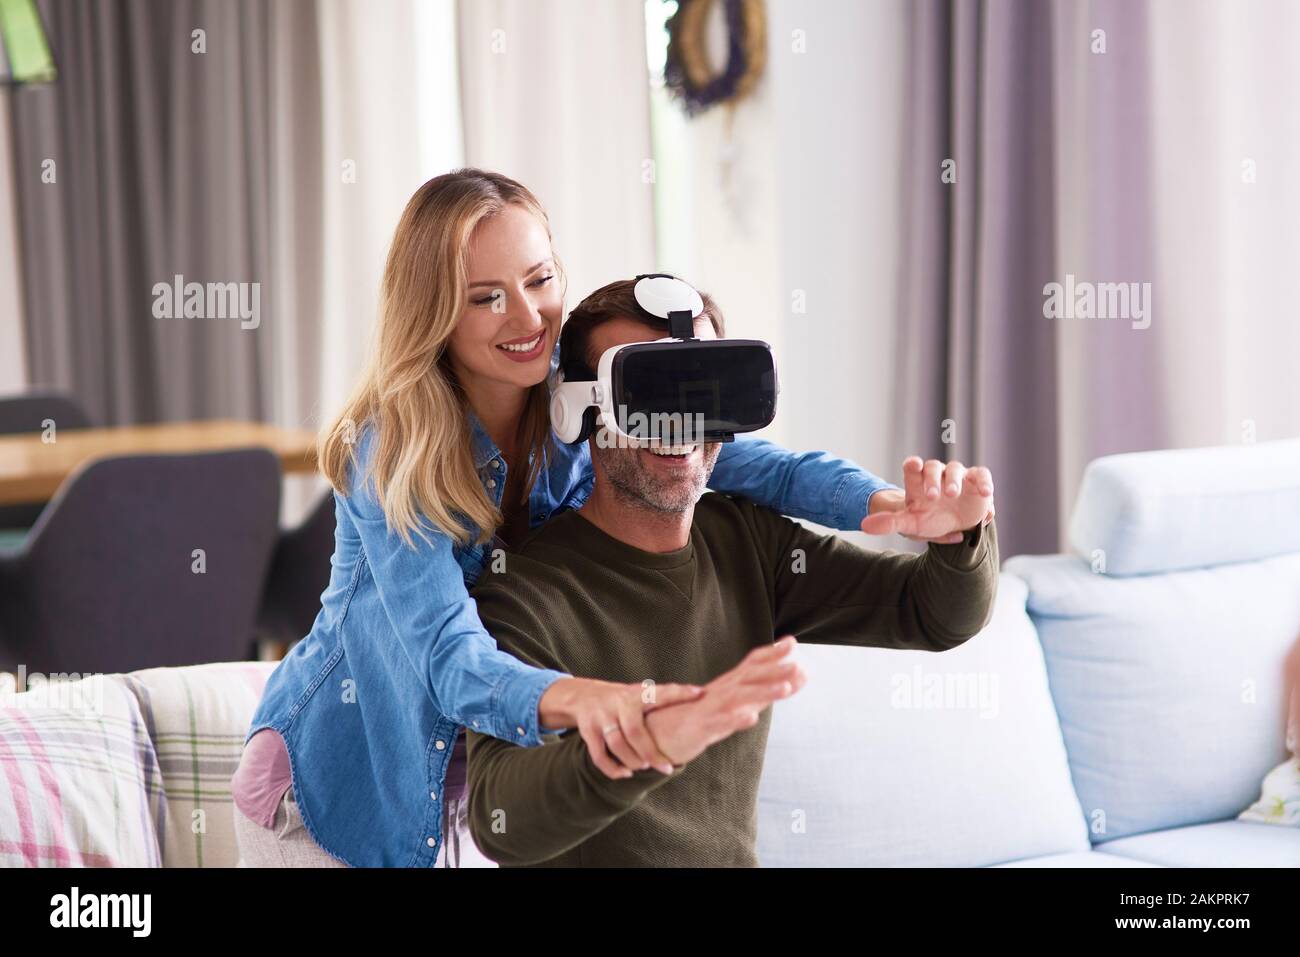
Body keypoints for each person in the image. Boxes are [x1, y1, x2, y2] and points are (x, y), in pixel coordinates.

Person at [231, 169, 972, 868]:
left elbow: (753, 462)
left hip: (457, 774)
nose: (527, 317)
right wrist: (592, 698)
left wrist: (891, 505)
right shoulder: (396, 451)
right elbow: (450, 660)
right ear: (434, 311)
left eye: (540, 279)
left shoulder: (582, 404)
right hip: (339, 779)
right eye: (485, 296)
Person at [463, 278, 999, 867]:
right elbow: (498, 820)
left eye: (701, 390)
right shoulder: (520, 592)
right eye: (648, 395)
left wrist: (957, 537)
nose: (681, 427)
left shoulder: (748, 542)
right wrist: (645, 742)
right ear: (577, 411)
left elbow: (934, 614)